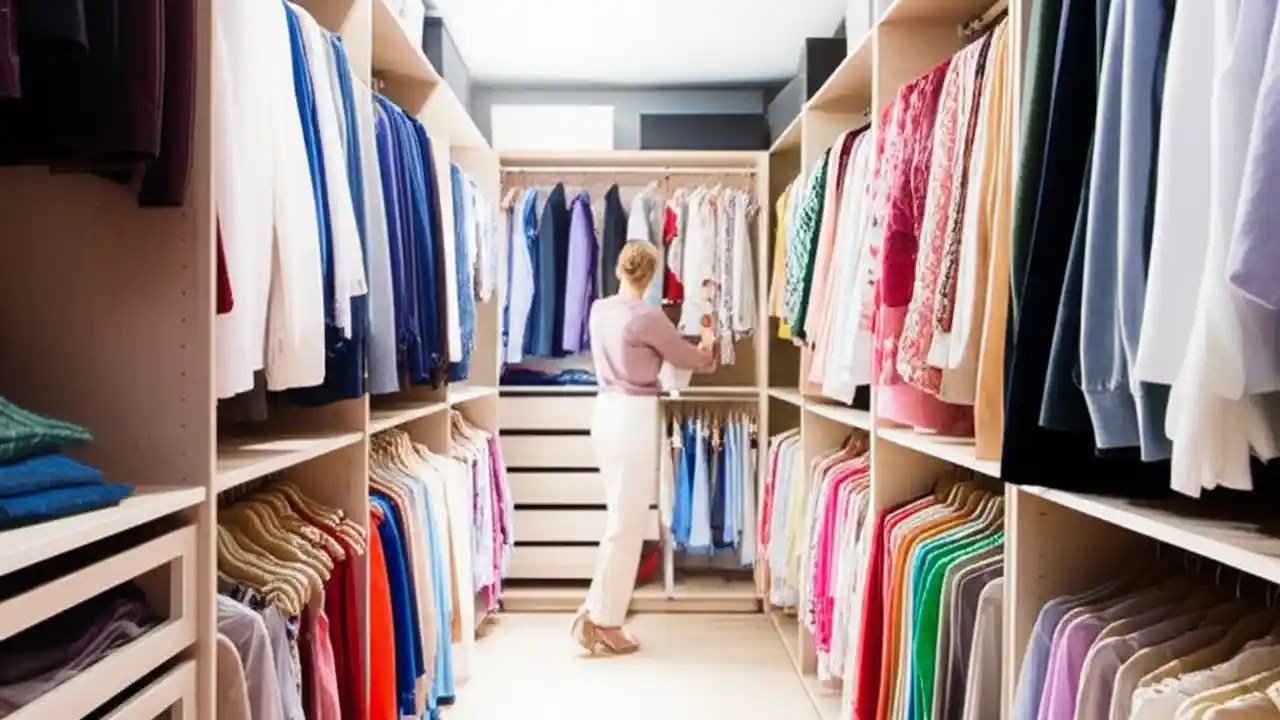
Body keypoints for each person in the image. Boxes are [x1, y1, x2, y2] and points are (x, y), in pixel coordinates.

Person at [571, 241, 716, 655]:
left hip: (603, 412)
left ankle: (596, 609)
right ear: (651, 276)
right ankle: (605, 621)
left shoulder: (600, 310)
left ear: (619, 269)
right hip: (633, 416)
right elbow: (686, 358)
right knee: (628, 524)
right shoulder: (648, 317)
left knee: (618, 519)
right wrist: (707, 345)